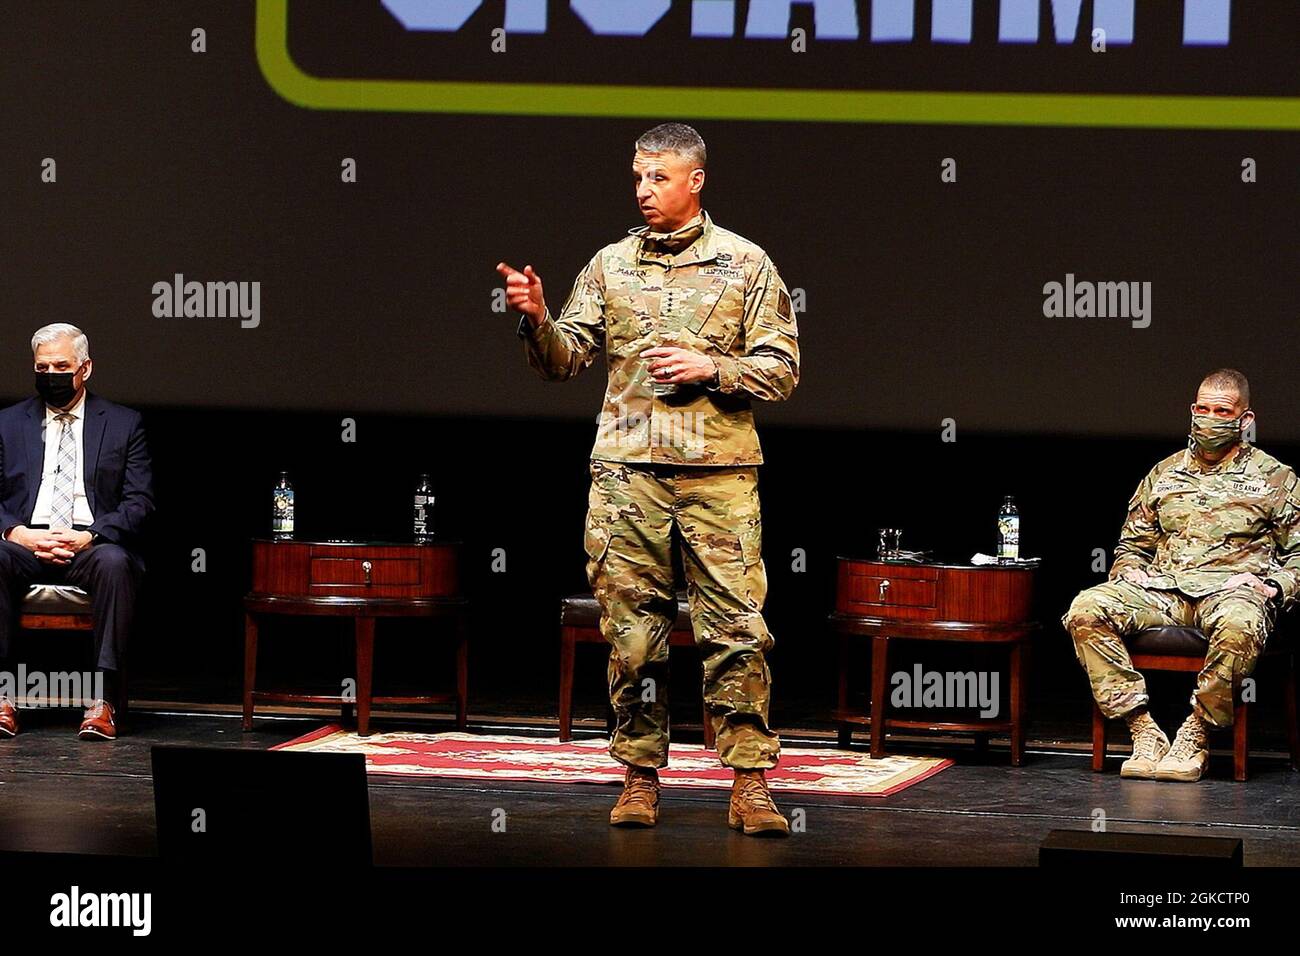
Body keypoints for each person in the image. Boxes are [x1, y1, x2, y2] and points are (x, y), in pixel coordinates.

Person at [497, 123, 800, 834]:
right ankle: (638, 776)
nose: (643, 190)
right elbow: (562, 360)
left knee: (738, 630)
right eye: (637, 177)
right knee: (633, 635)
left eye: (658, 177)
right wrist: (538, 320)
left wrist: (712, 369)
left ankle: (750, 783)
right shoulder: (609, 264)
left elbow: (783, 369)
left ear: (695, 180)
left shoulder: (745, 264)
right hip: (628, 476)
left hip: (717, 477)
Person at [1063, 369, 1300, 782]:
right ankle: (1143, 730)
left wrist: (1270, 586)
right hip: (1164, 591)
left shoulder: (1276, 478)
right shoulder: (1164, 472)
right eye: (1203, 409)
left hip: (1231, 592)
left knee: (1240, 622)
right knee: (1086, 607)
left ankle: (1196, 734)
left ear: (1245, 420)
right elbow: (1131, 545)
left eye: (1222, 411)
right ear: (1192, 411)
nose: (1210, 419)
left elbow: (1299, 556)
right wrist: (1129, 570)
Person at [0, 323, 154, 740]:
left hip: (90, 544)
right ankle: (1, 697)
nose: (51, 374)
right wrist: (15, 532)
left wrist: (93, 534)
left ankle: (101, 701)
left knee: (117, 562)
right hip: (26, 543)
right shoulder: (8, 423)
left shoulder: (124, 423)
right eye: (42, 366)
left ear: (84, 368)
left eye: (61, 365)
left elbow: (140, 501)